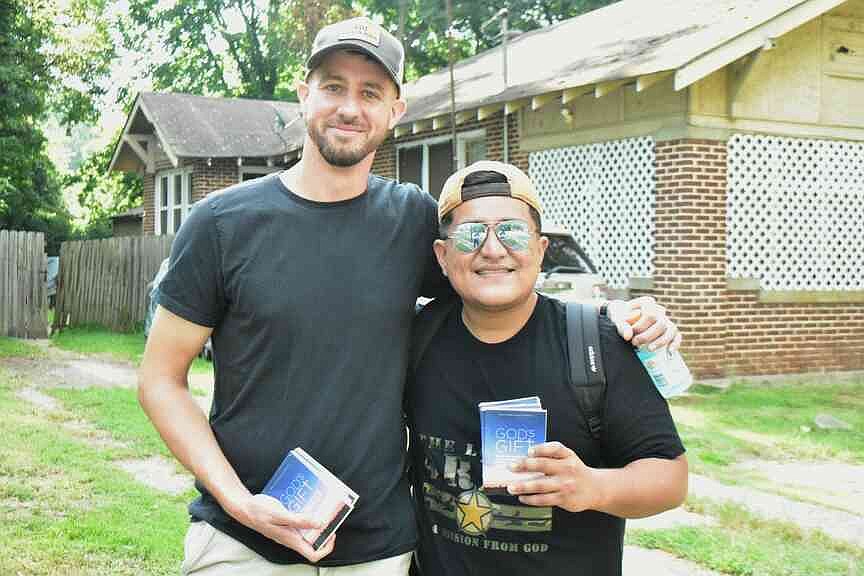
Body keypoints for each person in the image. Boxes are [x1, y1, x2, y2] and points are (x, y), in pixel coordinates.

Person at [138, 16, 681, 576]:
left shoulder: (414, 222)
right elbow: (160, 379)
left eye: (370, 92)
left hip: (378, 550)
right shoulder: (221, 224)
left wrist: (618, 318)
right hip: (243, 542)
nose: (350, 107)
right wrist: (236, 501)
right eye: (333, 86)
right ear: (303, 95)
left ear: (395, 111)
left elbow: (496, 277)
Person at [406, 161, 688, 576]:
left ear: (539, 251)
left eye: (512, 231)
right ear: (442, 256)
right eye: (470, 234)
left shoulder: (598, 345)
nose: (493, 248)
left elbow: (670, 478)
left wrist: (592, 487)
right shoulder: (416, 338)